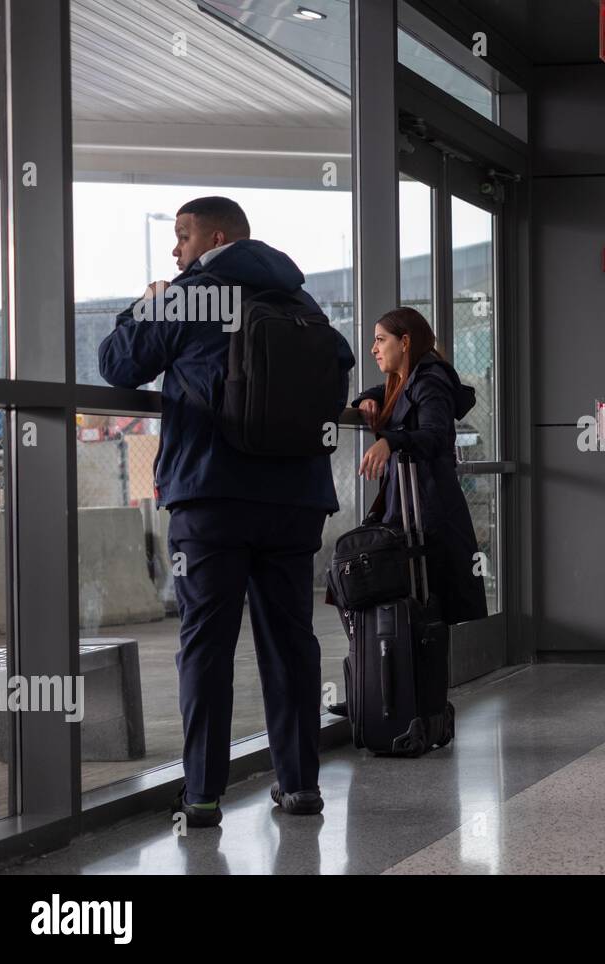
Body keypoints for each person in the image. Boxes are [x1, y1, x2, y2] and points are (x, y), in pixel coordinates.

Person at [99, 196, 355, 826]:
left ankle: (204, 794)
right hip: (296, 500)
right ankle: (299, 786)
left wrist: (149, 301)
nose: (176, 251)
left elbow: (118, 363)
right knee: (291, 643)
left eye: (182, 237)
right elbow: (340, 365)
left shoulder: (193, 293)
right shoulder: (302, 301)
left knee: (206, 647)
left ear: (214, 237)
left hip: (211, 495)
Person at [353, 307, 487, 625]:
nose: (373, 349)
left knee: (438, 596)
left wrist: (391, 441)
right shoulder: (408, 380)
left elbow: (434, 435)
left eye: (380, 340)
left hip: (429, 508)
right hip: (417, 505)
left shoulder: (431, 381)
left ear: (405, 342)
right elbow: (393, 395)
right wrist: (364, 400)